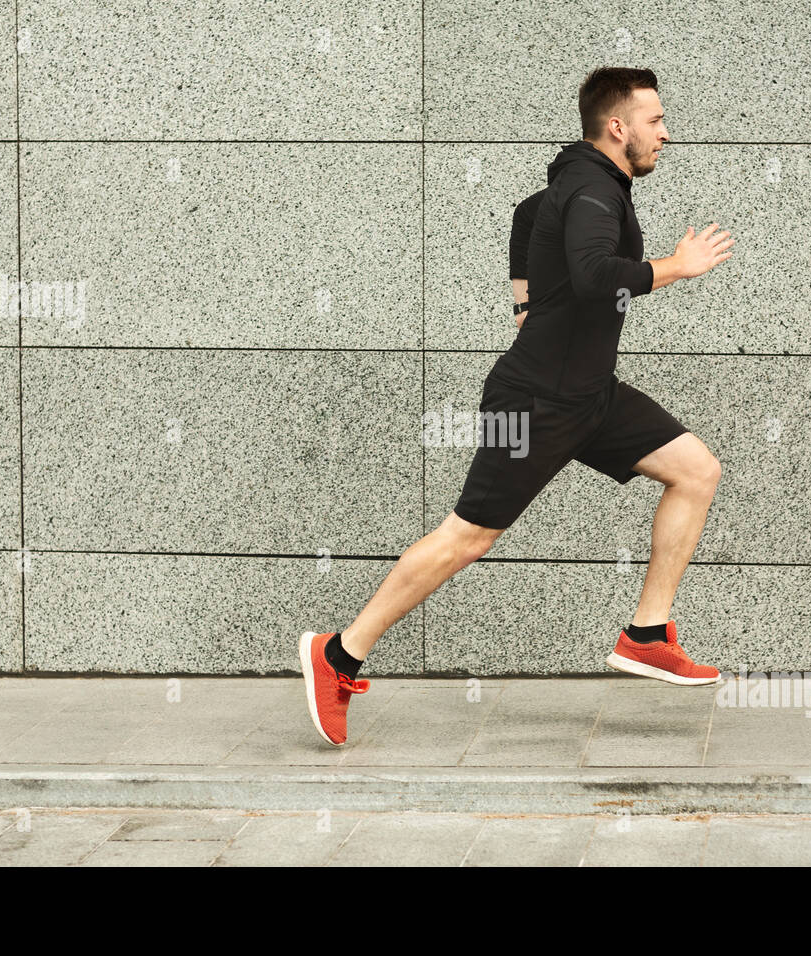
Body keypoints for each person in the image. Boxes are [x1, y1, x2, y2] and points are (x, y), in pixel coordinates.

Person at [300, 66, 735, 746]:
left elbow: (529, 213)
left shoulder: (580, 181)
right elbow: (593, 276)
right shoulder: (595, 186)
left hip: (590, 393)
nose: (665, 133)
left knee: (696, 470)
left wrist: (524, 301)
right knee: (468, 536)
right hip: (537, 402)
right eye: (655, 121)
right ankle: (339, 653)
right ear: (617, 127)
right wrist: (679, 266)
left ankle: (648, 632)